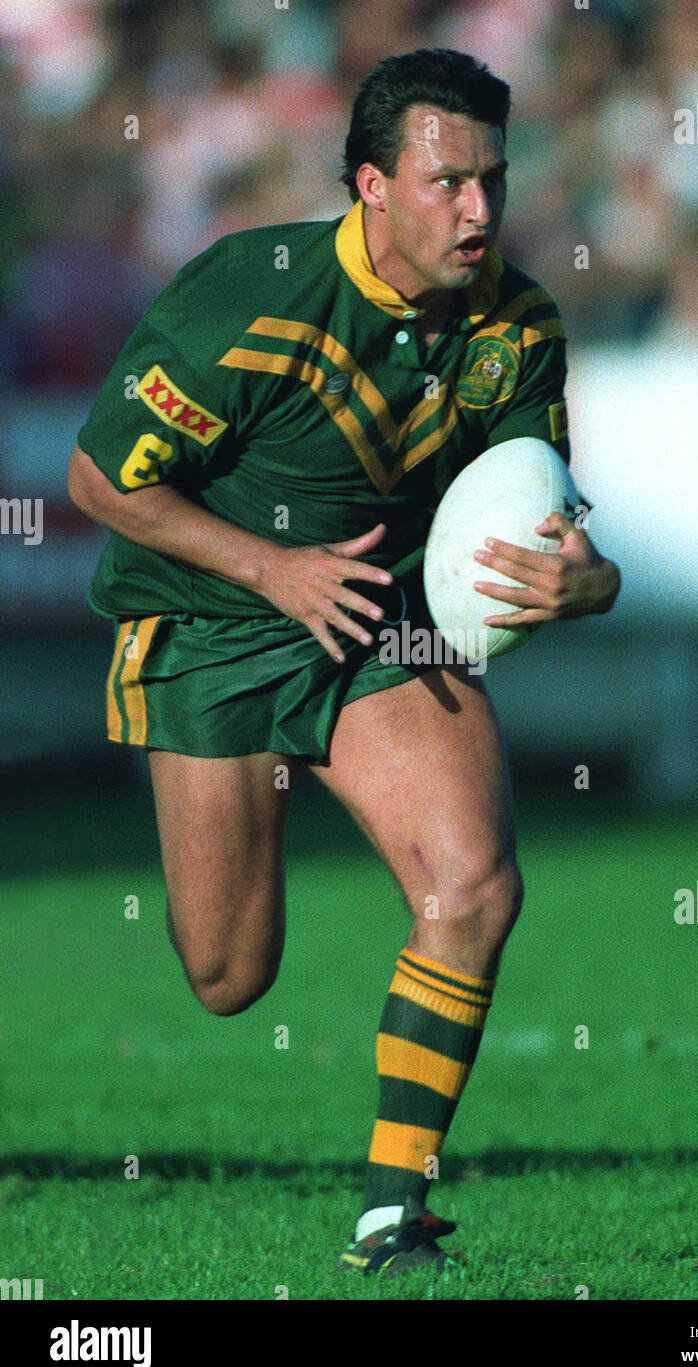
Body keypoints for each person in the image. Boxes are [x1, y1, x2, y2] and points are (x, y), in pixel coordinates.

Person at [67, 48, 620, 1277]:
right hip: (210, 622)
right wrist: (274, 569)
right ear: (369, 184)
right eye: (445, 183)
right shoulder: (245, 299)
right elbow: (102, 479)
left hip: (380, 619)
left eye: (493, 180)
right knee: (227, 975)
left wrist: (592, 579)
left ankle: (393, 1213)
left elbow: (542, 516)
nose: (478, 211)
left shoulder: (516, 328)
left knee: (471, 884)